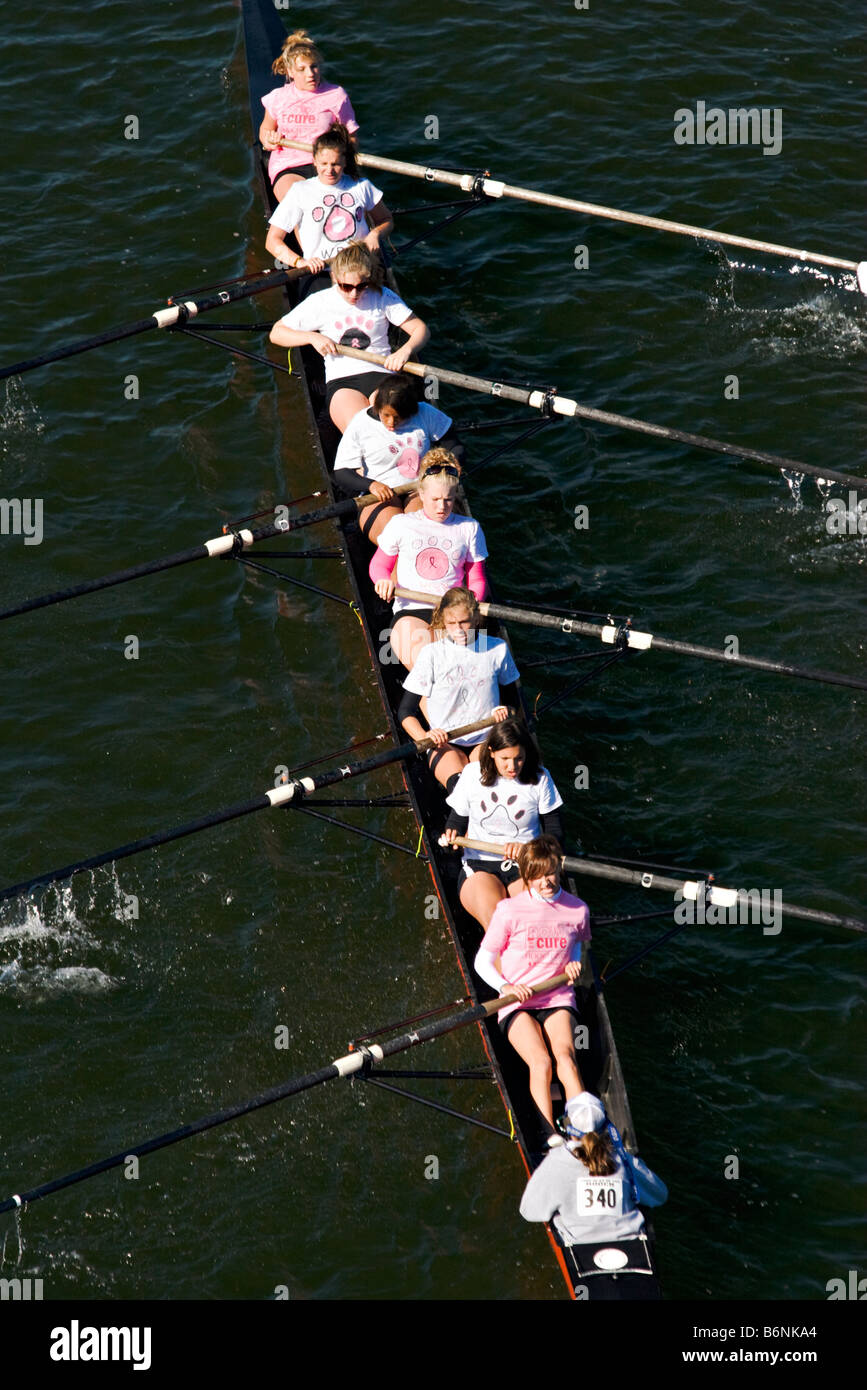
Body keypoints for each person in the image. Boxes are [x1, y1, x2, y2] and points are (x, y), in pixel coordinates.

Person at [473, 837, 589, 1139]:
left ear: (558, 869)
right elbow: (482, 963)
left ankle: (584, 1131)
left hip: (556, 996)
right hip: (516, 1000)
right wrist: (507, 985)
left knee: (565, 1057)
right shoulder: (509, 910)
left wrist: (572, 966)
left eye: (550, 873)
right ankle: (550, 1135)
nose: (546, 882)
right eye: (537, 876)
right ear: (526, 876)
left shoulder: (578, 909)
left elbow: (576, 945)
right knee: (541, 1061)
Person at [269, 243, 429, 432]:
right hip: (342, 379)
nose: (354, 293)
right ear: (334, 277)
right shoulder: (320, 302)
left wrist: (405, 351)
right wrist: (312, 337)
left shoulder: (382, 296)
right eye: (346, 287)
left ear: (368, 279)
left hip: (382, 374)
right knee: (363, 432)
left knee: (391, 429)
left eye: (361, 286)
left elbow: (421, 329)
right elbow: (276, 333)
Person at [369, 450, 487, 669]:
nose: (441, 507)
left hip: (453, 611)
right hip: (410, 608)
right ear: (420, 494)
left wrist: (473, 603)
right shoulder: (401, 524)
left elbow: (477, 578)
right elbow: (379, 565)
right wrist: (383, 580)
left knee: (454, 672)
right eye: (435, 500)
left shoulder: (469, 528)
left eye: (448, 500)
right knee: (428, 667)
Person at [442, 725, 563, 929]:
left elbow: (556, 832)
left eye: (519, 758)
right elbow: (456, 821)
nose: (512, 766)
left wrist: (531, 850)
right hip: (480, 864)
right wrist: (450, 836)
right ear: (491, 753)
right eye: (505, 759)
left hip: (525, 862)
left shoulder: (541, 778)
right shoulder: (472, 774)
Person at [398, 588, 519, 788]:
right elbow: (405, 712)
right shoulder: (431, 655)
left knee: (487, 788)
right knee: (460, 789)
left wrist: (505, 711)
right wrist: (425, 737)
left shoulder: (497, 649)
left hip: (487, 737)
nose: (459, 630)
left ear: (476, 617)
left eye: (464, 622)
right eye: (451, 624)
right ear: (443, 622)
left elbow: (513, 701)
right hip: (444, 742)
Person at [520, 1090, 668, 1244]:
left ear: (568, 1126)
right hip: (630, 1238)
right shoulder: (623, 1160)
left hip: (578, 1242)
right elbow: (660, 1195)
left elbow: (529, 1211)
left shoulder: (556, 1161)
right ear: (605, 1128)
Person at [332, 374, 461, 541]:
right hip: (380, 495)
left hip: (419, 487)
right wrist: (371, 485)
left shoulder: (425, 412)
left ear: (411, 411)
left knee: (424, 538)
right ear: (378, 406)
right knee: (401, 540)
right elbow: (342, 472)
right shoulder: (360, 424)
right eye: (386, 415)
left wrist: (452, 463)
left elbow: (455, 445)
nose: (391, 422)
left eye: (398, 417)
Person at [265, 124, 393, 291]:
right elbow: (272, 241)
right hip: (321, 271)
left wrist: (375, 234)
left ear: (345, 162)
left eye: (335, 164)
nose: (329, 170)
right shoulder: (300, 191)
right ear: (315, 162)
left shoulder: (361, 186)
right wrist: (301, 262)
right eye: (324, 163)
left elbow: (386, 220)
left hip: (360, 269)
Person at [259, 30, 358, 201]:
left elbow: (352, 138)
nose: (310, 74)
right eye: (302, 69)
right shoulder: (278, 97)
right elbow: (265, 129)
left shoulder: (336, 96)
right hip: (289, 165)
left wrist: (345, 161)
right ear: (290, 72)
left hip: (328, 165)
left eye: (314, 66)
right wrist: (267, 139)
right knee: (300, 203)